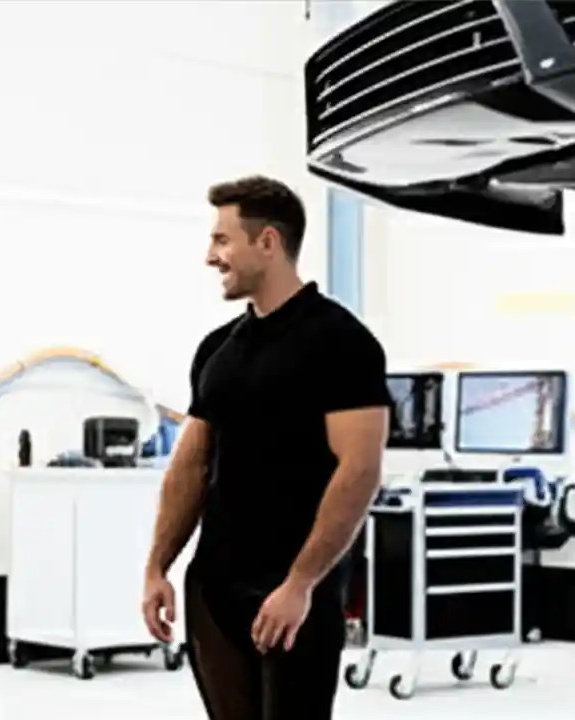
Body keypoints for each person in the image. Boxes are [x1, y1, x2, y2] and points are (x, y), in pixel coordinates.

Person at [141, 176, 391, 719]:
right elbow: (192, 464)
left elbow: (360, 469)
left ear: (269, 242)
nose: (211, 256)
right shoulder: (218, 348)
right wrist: (158, 567)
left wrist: (300, 584)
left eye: (222, 240)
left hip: (294, 591)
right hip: (216, 587)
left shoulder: (341, 343)